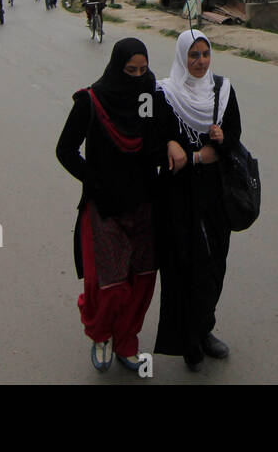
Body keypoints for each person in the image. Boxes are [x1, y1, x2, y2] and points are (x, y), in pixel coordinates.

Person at [55, 39, 185, 373]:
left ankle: (127, 341)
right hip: (106, 206)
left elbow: (157, 128)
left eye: (143, 70)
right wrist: (96, 181)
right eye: (131, 71)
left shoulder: (144, 96)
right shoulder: (92, 101)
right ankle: (101, 335)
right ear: (117, 68)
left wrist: (171, 140)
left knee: (141, 280)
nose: (139, 77)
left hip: (144, 203)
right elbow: (66, 150)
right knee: (110, 286)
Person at [154, 29, 242, 371]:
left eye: (205, 54)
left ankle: (206, 329)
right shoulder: (164, 94)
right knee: (184, 265)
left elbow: (234, 138)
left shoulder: (223, 91)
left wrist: (221, 139)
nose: (200, 61)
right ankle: (188, 341)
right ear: (181, 57)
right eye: (193, 55)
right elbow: (152, 135)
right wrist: (170, 146)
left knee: (215, 263)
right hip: (177, 195)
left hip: (214, 194)